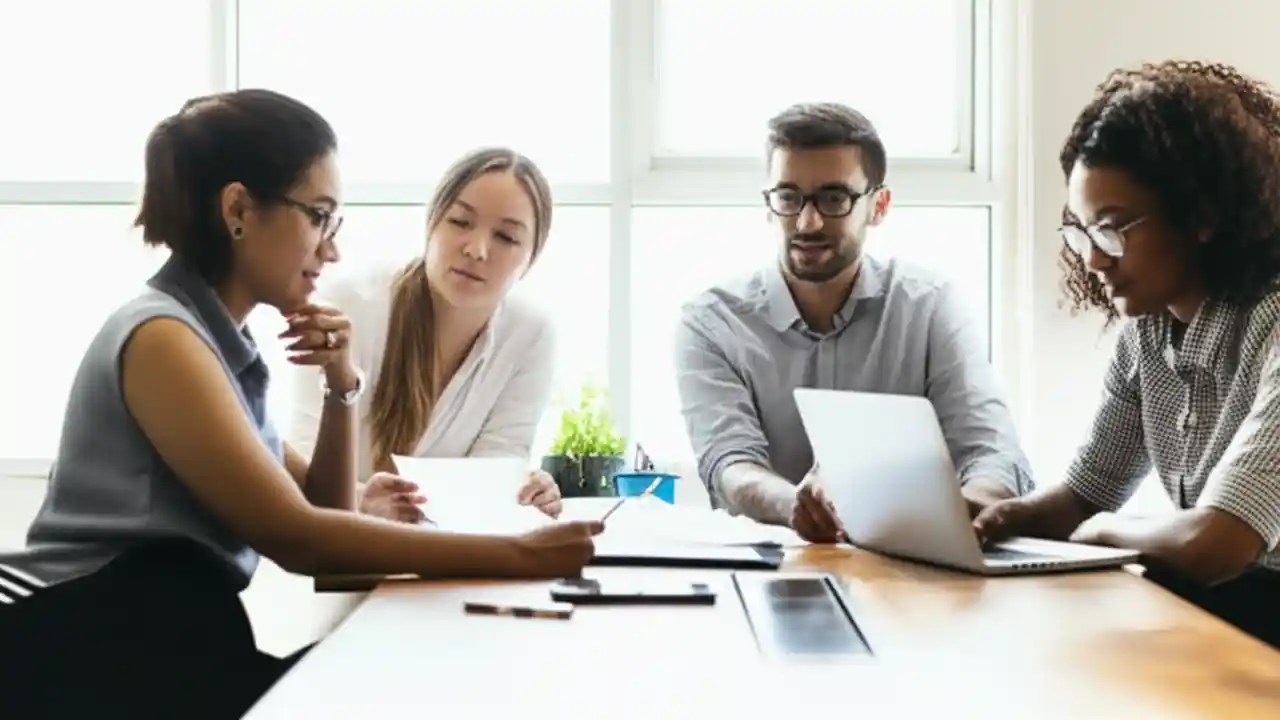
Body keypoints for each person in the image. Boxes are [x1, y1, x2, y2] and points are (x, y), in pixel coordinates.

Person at [0, 90, 600, 717]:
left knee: (411, 673)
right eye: (318, 216)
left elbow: (326, 512)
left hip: (154, 640)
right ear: (238, 209)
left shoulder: (213, 344)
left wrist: (343, 386)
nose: (332, 249)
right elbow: (303, 540)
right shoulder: (163, 341)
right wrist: (520, 556)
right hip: (70, 640)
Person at [974, 60, 1280, 648]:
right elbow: (1086, 494)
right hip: (1235, 620)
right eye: (1082, 232)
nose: (1093, 259)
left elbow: (1215, 546)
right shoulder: (1146, 330)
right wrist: (992, 519)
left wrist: (1106, 533)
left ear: (1202, 217)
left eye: (1112, 229)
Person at [675, 102, 1033, 542]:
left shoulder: (931, 307)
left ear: (878, 205)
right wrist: (797, 507)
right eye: (788, 198)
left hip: (912, 570)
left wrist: (964, 507)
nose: (807, 221)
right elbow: (729, 465)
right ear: (769, 205)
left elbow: (992, 452)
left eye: (833, 198)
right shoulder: (712, 322)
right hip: (773, 571)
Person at [288, 148, 561, 524]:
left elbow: (490, 474)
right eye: (461, 222)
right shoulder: (350, 307)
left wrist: (519, 491)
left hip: (445, 561)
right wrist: (364, 500)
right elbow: (303, 465)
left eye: (506, 237)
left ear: (531, 257)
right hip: (341, 549)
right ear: (432, 223)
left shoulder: (530, 336)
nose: (476, 249)